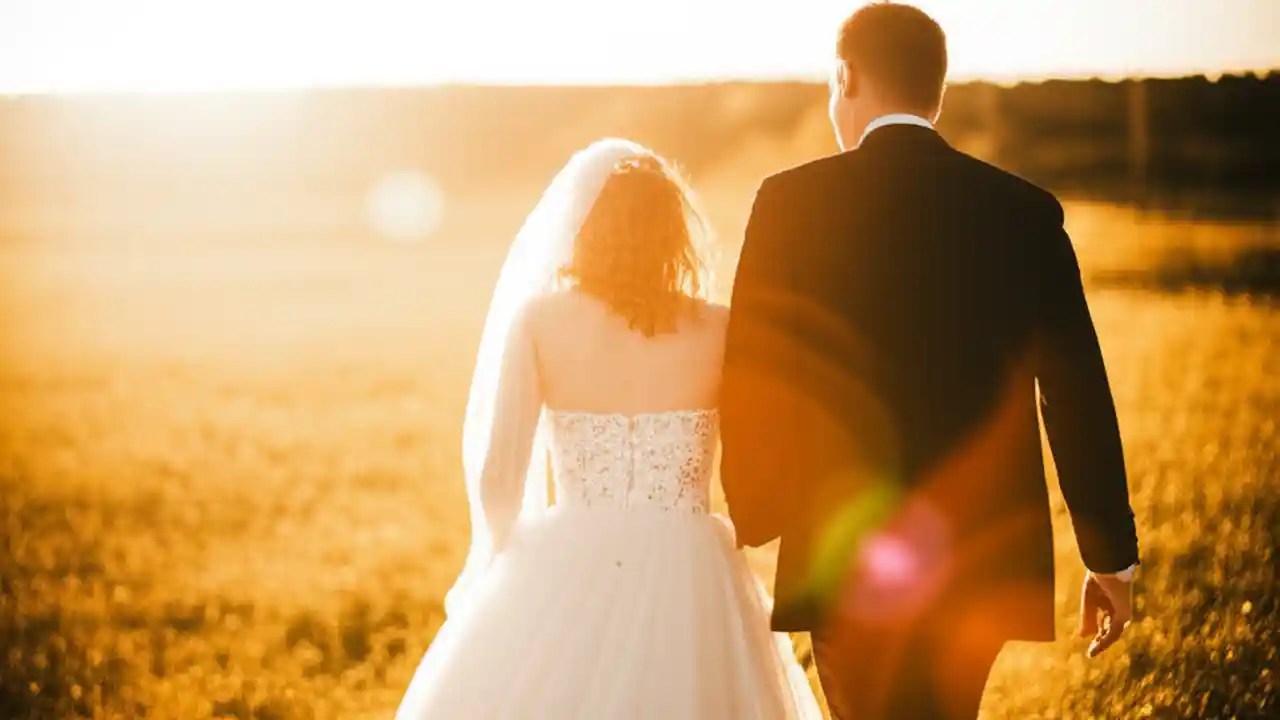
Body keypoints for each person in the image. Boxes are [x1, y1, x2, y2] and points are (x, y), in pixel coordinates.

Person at [720, 4, 1141, 719]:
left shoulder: (790, 203)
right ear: (935, 91)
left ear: (845, 78)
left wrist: (758, 509)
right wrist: (1110, 557)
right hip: (977, 558)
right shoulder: (1024, 213)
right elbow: (1076, 392)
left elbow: (751, 371)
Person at [396, 140, 820, 719]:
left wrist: (505, 567)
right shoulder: (719, 329)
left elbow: (500, 478)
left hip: (566, 552)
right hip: (691, 567)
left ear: (583, 229)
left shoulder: (541, 322)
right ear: (674, 233)